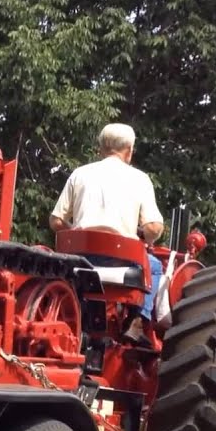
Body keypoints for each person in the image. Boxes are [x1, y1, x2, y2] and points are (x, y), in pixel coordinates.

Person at [50, 123, 165, 328]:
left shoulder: (80, 174)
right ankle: (139, 319)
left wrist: (76, 233)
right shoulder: (140, 179)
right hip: (121, 264)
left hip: (80, 261)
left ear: (101, 148)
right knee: (155, 267)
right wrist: (144, 235)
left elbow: (56, 221)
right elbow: (154, 228)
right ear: (129, 150)